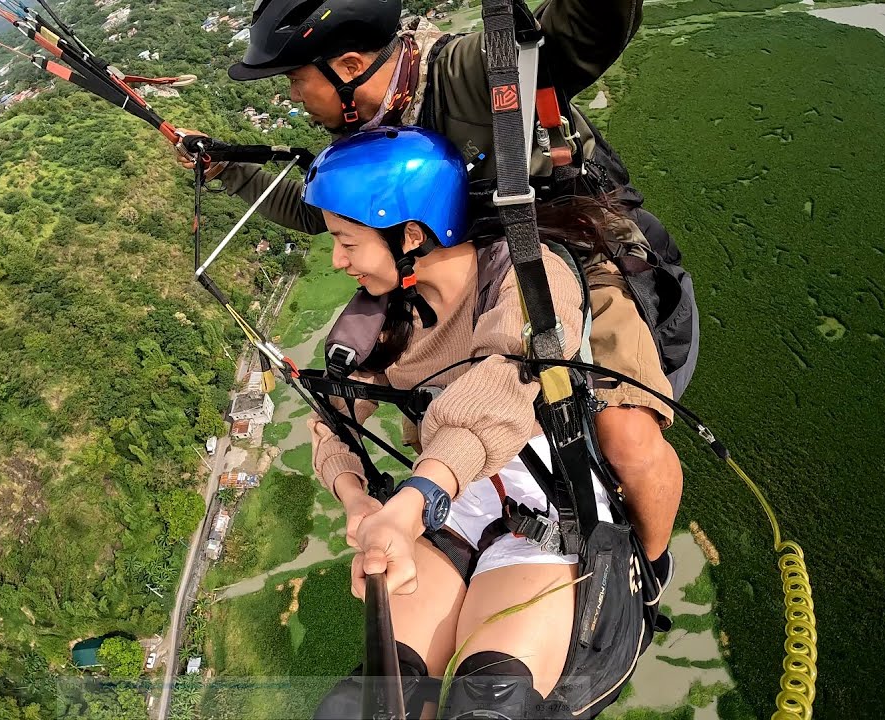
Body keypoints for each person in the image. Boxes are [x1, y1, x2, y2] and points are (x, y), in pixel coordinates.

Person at [181, 0, 682, 568]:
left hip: (565, 251)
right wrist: (229, 171)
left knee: (625, 439)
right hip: (459, 274)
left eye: (297, 79)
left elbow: (581, 35)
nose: (295, 95)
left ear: (347, 67)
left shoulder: (470, 71)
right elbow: (322, 213)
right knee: (428, 420)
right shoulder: (364, 129)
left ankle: (648, 569)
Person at [301, 127, 644, 719]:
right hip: (448, 509)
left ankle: (650, 570)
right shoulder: (386, 315)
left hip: (547, 507)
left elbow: (503, 383)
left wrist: (411, 501)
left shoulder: (529, 280)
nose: (337, 261)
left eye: (347, 242)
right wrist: (356, 498)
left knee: (490, 704)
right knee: (370, 703)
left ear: (409, 234)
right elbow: (333, 416)